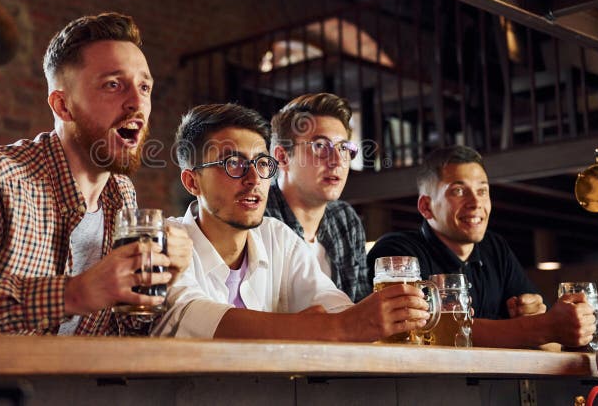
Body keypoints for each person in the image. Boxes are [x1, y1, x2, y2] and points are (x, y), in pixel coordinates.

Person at [0, 12, 192, 335]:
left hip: (76, 385)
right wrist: (71, 294)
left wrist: (160, 282)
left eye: (144, 87)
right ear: (63, 107)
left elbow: (120, 329)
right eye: (113, 85)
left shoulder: (121, 193)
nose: (137, 102)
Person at [154, 103, 430, 341]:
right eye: (233, 163)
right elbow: (186, 316)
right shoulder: (169, 240)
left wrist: (360, 319)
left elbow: (331, 304)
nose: (254, 179)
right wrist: (330, 328)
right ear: (192, 182)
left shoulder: (277, 237)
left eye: (262, 163)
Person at [366, 145, 596, 349]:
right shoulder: (399, 253)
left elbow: (538, 325)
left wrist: (533, 313)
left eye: (482, 191)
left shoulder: (494, 248)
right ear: (426, 207)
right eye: (458, 191)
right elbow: (431, 332)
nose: (475, 203)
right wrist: (542, 327)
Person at [265, 93, 369, 302]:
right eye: (320, 146)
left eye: (343, 148)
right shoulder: (258, 217)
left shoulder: (345, 219)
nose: (338, 161)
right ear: (283, 157)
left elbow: (359, 306)